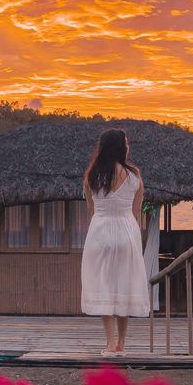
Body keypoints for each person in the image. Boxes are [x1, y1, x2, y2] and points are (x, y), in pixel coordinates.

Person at [80, 128, 150, 355]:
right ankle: (121, 343)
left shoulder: (92, 175)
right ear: (121, 147)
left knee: (104, 285)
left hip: (100, 231)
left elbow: (92, 209)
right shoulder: (134, 176)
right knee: (124, 284)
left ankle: (109, 342)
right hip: (126, 231)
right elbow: (136, 211)